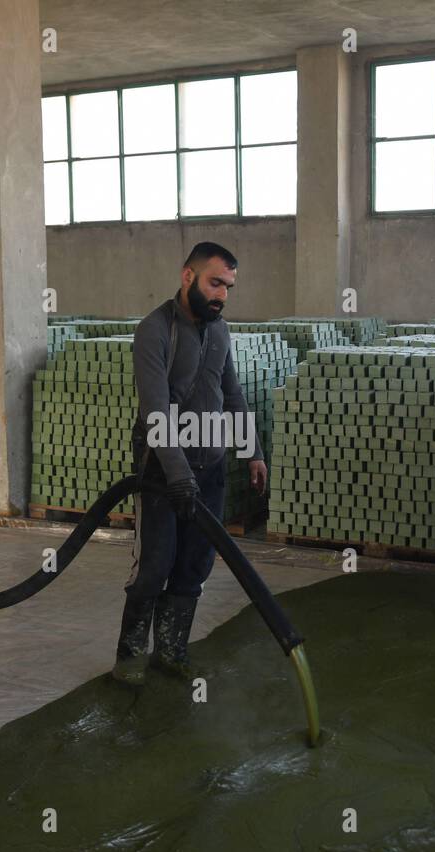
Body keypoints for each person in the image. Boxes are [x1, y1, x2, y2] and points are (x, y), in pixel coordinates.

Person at [112, 242, 269, 684]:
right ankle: (129, 658)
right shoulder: (155, 330)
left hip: (211, 465)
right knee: (154, 566)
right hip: (162, 470)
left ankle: (172, 650)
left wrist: (252, 450)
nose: (222, 295)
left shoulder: (220, 332)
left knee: (195, 565)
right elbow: (156, 411)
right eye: (214, 282)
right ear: (187, 277)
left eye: (228, 287)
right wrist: (178, 477)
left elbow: (232, 393)